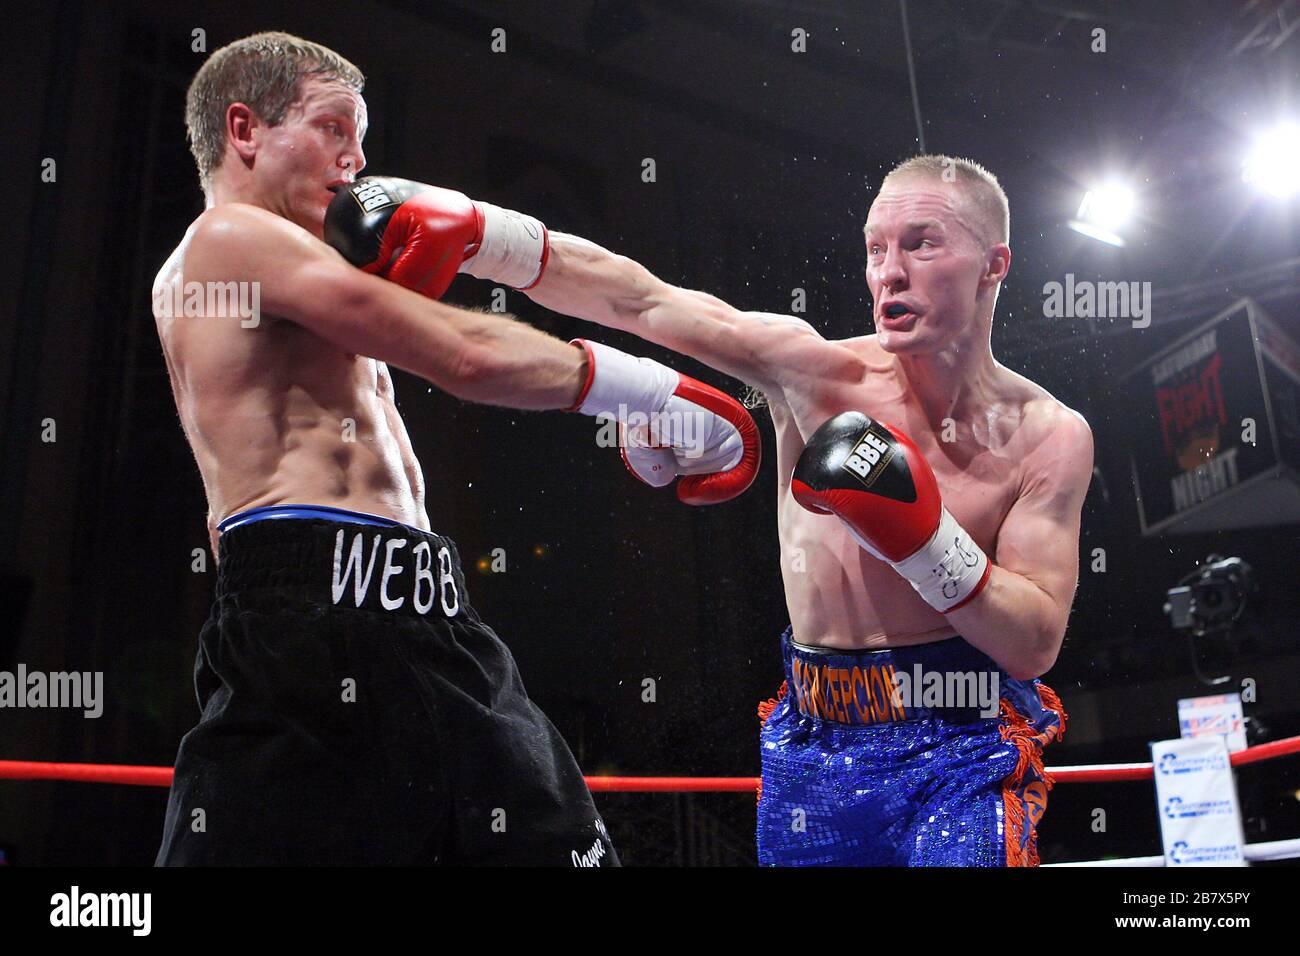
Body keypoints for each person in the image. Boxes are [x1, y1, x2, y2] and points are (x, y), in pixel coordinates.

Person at [356, 155, 1091, 865]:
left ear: (995, 264)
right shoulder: (812, 370)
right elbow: (641, 299)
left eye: (921, 244)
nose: (889, 271)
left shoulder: (1048, 435)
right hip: (820, 746)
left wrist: (926, 541)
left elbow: (1033, 643)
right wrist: (483, 232)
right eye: (875, 249)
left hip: (961, 744)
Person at [152, 31, 758, 866]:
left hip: (437, 616)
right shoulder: (227, 242)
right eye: (333, 127)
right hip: (306, 625)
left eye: (359, 134)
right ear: (245, 129)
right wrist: (644, 390)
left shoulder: (326, 252)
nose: (356, 158)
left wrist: (668, 319)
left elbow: (553, 261)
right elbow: (461, 353)